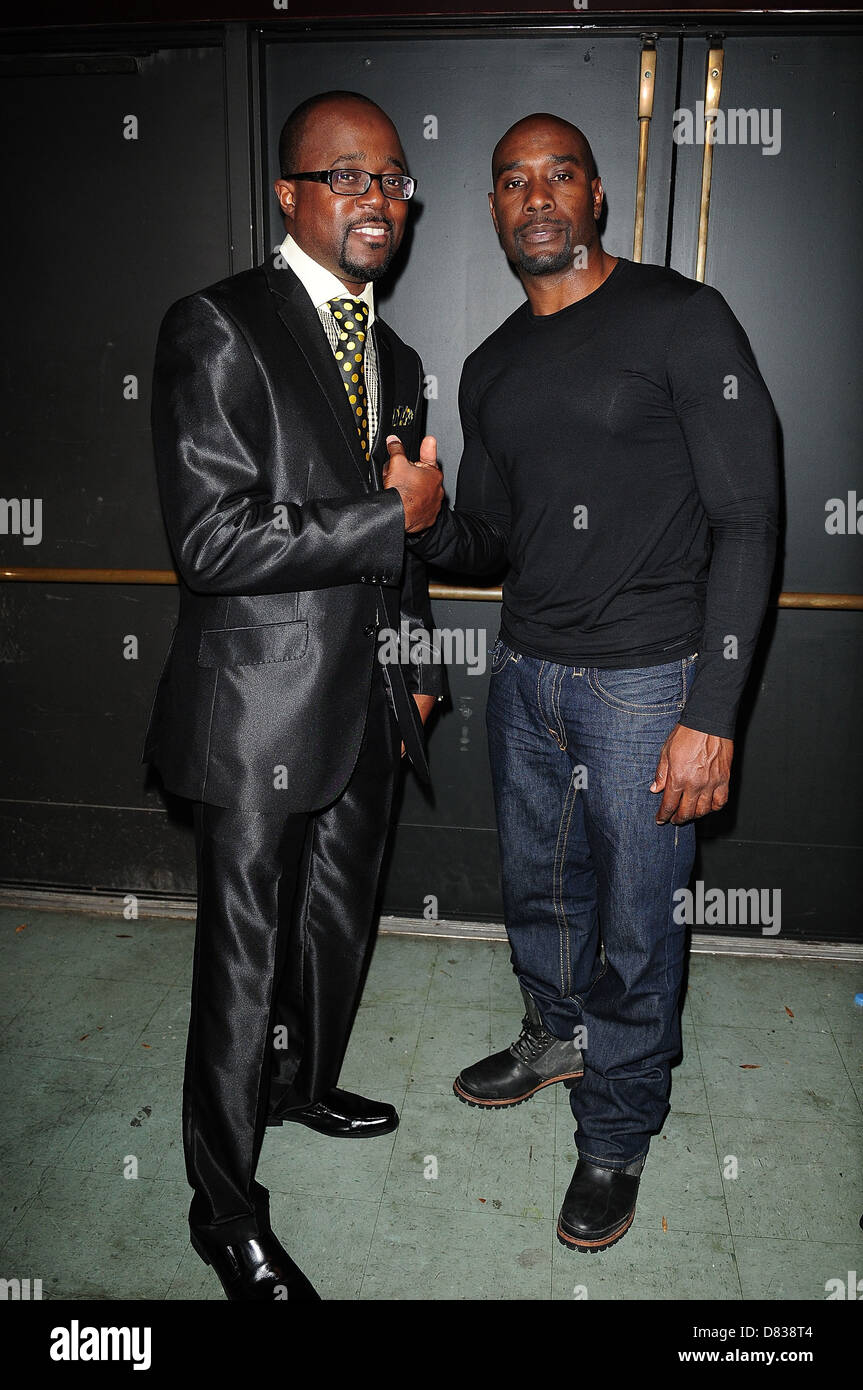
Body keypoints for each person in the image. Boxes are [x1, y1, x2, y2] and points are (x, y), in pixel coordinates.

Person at [390, 111, 779, 1252]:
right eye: (513, 181)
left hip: (647, 685)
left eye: (560, 174)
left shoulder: (679, 317)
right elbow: (494, 541)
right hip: (525, 677)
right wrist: (423, 525)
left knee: (636, 925)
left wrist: (709, 714)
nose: (537, 194)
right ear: (496, 210)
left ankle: (615, 1123)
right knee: (539, 891)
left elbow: (748, 521)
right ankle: (552, 1034)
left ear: (596, 196)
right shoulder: (491, 364)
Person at [144, 90, 444, 1299]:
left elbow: (406, 547)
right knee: (244, 967)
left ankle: (301, 1084)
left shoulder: (398, 354)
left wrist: (416, 671)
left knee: (337, 927)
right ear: (290, 194)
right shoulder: (218, 326)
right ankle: (223, 1204)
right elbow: (210, 541)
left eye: (391, 178)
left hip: (368, 707)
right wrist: (388, 516)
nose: (375, 198)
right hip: (257, 711)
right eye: (346, 176)